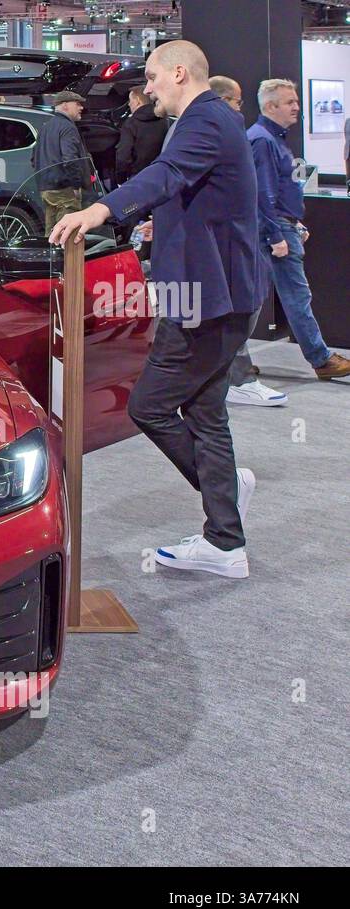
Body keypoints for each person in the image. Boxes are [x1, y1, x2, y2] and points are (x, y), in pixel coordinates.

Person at [50, 41, 262, 580]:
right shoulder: (212, 120)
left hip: (208, 300)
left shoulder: (204, 119)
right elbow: (191, 192)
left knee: (149, 406)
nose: (147, 88)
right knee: (206, 413)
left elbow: (167, 174)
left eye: (151, 77)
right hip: (222, 296)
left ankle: (226, 492)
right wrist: (158, 225)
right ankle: (224, 542)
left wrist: (100, 209)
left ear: (180, 72)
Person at [248, 78, 350, 381]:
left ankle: (232, 361)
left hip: (283, 225)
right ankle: (320, 359)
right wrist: (277, 234)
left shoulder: (273, 138)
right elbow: (261, 194)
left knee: (260, 296)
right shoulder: (263, 140)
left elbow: (277, 190)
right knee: (294, 294)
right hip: (276, 229)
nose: (297, 107)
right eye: (290, 102)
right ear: (270, 106)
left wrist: (294, 221)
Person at [205, 76, 288, 408]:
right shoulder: (250, 139)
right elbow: (259, 195)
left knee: (239, 309)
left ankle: (235, 379)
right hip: (221, 242)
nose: (241, 109)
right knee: (235, 311)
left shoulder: (238, 137)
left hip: (231, 239)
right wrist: (276, 232)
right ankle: (238, 380)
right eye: (238, 102)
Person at [31, 91, 91, 233]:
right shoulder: (67, 127)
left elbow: (34, 159)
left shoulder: (45, 128)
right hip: (64, 189)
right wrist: (76, 185)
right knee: (67, 234)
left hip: (46, 188)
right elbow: (70, 159)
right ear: (65, 106)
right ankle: (63, 256)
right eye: (77, 104)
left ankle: (52, 255)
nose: (81, 107)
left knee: (51, 233)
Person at [116, 88, 168, 184]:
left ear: (137, 101)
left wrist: (121, 179)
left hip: (139, 178)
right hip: (163, 174)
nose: (129, 104)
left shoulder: (131, 123)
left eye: (130, 100)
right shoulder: (164, 120)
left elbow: (123, 155)